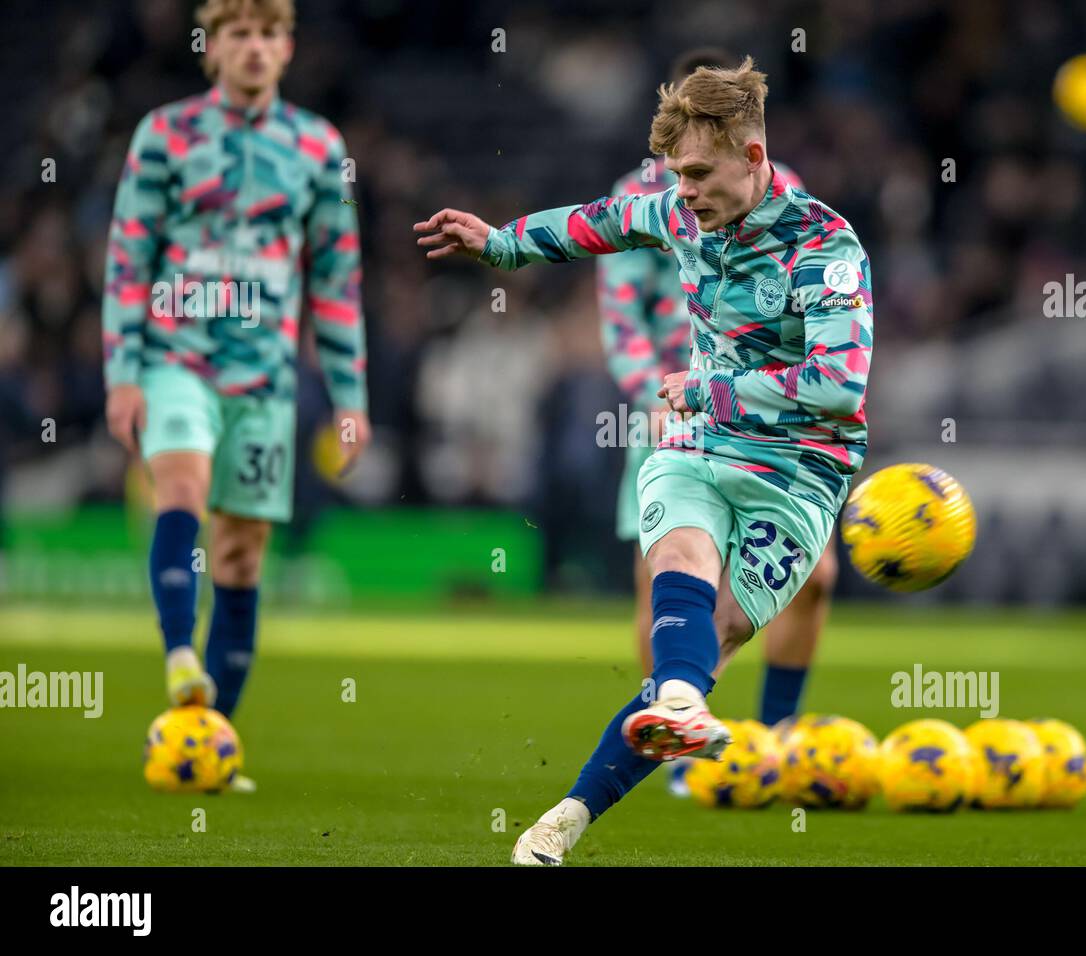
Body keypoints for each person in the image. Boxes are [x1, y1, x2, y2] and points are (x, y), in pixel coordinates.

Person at [414, 56, 871, 864]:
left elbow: (838, 386)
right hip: (694, 442)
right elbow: (590, 224)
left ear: (755, 158)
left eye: (698, 173)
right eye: (676, 175)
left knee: (722, 631)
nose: (684, 191)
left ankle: (685, 715)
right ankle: (562, 823)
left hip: (800, 470)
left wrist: (714, 390)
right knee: (678, 561)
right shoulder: (676, 213)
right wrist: (498, 244)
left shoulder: (826, 246)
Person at [102, 0, 369, 789]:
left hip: (267, 378)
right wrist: (122, 373)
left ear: (287, 49)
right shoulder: (165, 134)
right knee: (178, 485)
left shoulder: (320, 146)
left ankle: (209, 739)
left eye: (267, 35)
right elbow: (127, 257)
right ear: (209, 49)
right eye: (237, 35)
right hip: (175, 355)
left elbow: (336, 280)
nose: (254, 48)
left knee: (242, 555)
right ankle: (181, 650)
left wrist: (351, 398)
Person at [596, 48, 838, 798]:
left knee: (816, 575)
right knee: (664, 581)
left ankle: (774, 738)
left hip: (768, 415)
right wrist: (655, 394)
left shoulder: (788, 196)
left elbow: (818, 320)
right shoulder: (641, 197)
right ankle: (672, 735)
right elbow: (621, 318)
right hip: (670, 411)